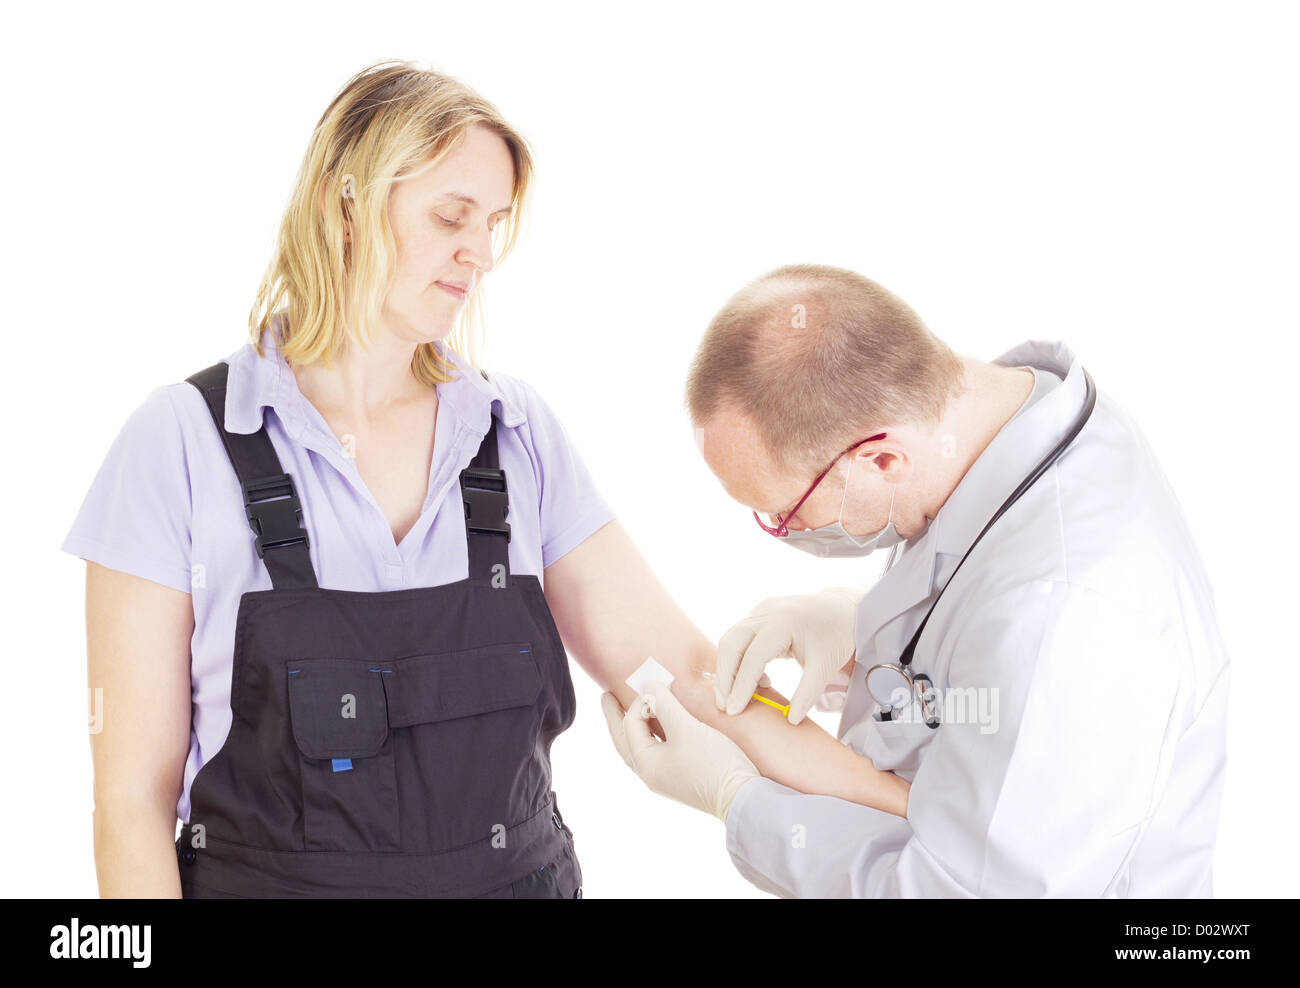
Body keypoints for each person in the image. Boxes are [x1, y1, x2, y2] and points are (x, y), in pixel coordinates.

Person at [61, 63, 909, 899]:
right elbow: (129, 805)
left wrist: (911, 807)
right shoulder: (181, 443)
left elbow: (688, 674)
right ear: (345, 203)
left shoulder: (514, 436)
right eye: (451, 216)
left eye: (494, 222)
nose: (481, 253)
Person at [605, 263, 1231, 898]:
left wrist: (740, 801)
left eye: (783, 513)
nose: (785, 531)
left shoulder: (1067, 614)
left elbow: (952, 891)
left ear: (880, 458)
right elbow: (983, 649)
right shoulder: (1006, 427)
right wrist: (852, 624)